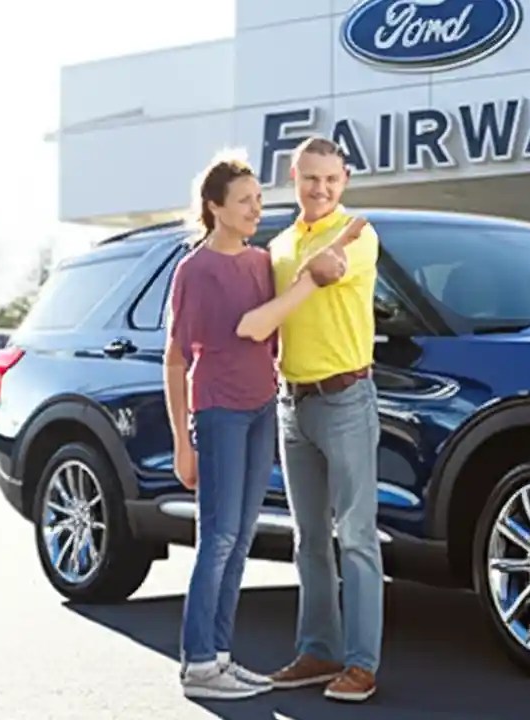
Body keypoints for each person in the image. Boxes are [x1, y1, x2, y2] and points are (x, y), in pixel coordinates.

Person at [163, 150, 343, 701]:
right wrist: (181, 445)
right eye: (244, 201)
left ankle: (220, 656)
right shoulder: (194, 270)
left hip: (263, 406)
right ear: (215, 207)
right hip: (218, 411)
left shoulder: (261, 263)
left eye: (259, 199)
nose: (255, 209)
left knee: (240, 538)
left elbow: (276, 327)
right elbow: (176, 359)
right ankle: (197, 664)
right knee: (215, 537)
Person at [237, 136, 383, 703]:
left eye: (332, 180)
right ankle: (319, 650)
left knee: (358, 537)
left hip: (346, 400)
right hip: (291, 404)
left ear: (344, 181)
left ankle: (362, 664)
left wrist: (329, 257)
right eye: (310, 179)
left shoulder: (359, 234)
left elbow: (333, 269)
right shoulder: (277, 246)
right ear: (293, 178)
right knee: (309, 540)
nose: (321, 189)